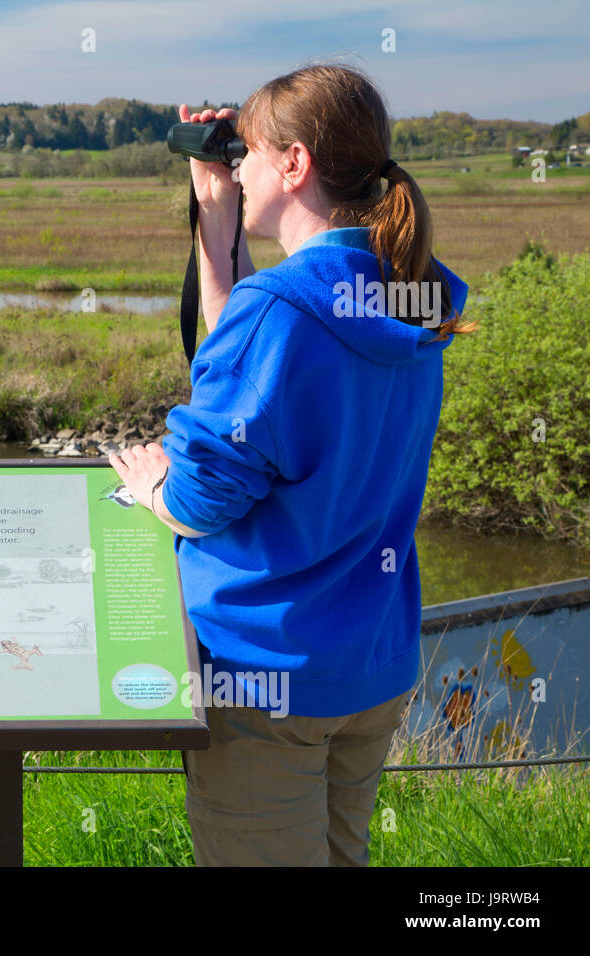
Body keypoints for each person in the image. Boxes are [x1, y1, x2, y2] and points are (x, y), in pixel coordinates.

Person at [108, 64, 477, 866]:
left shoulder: (281, 311)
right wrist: (217, 221)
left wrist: (152, 485)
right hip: (368, 665)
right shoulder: (405, 293)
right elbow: (252, 371)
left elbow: (205, 497)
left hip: (263, 674)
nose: (235, 165)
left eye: (248, 152)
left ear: (296, 164)